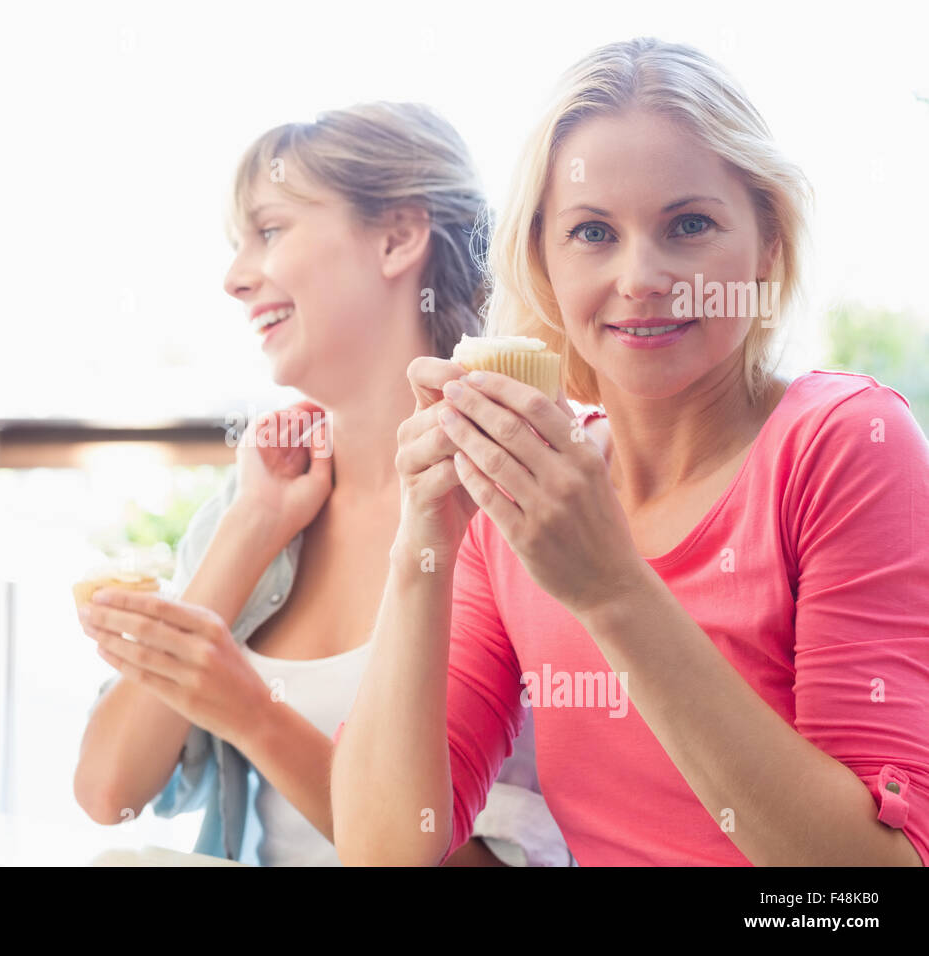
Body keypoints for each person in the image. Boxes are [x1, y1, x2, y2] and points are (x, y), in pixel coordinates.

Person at [331, 37, 929, 866]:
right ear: (542, 261)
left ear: (769, 245)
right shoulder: (523, 495)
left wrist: (611, 588)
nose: (642, 275)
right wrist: (421, 544)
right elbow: (383, 851)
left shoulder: (844, 443)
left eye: (689, 224)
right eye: (592, 232)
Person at [74, 102, 578, 866]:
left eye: (269, 231)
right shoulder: (259, 502)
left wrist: (252, 714)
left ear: (398, 237)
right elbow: (109, 792)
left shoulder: (517, 502)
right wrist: (249, 530)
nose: (236, 279)